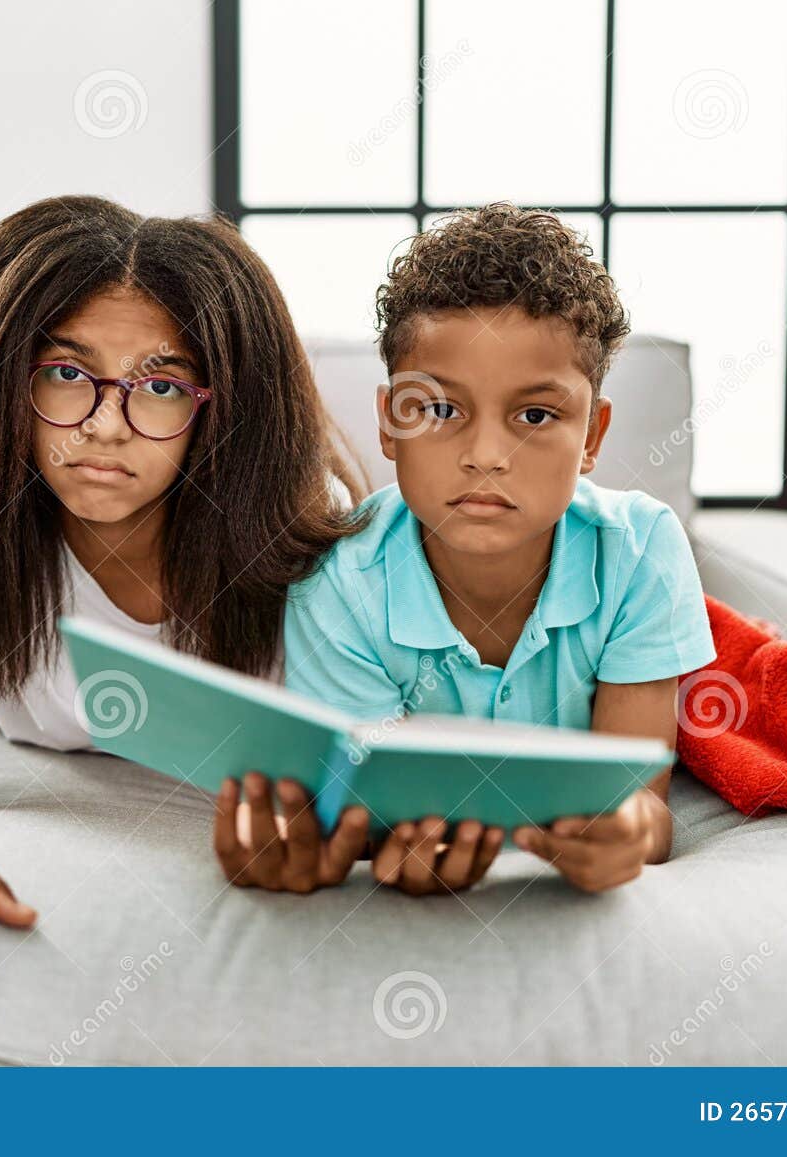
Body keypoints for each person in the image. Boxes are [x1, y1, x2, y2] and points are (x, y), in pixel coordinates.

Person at [0, 195, 364, 1065]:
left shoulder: (304, 538)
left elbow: (351, 755)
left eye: (162, 387)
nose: (104, 426)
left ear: (217, 410)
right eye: (66, 373)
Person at [214, 203, 715, 898]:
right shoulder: (338, 575)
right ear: (389, 422)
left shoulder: (639, 550)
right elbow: (354, 808)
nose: (486, 456)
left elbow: (639, 802)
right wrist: (386, 839)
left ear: (593, 436)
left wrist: (627, 834)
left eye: (535, 415)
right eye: (441, 410)